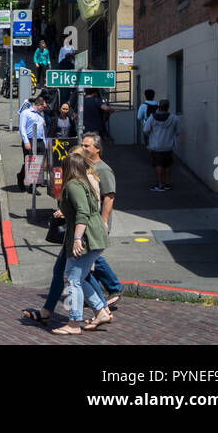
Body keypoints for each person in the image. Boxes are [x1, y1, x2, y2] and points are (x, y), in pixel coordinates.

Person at [49, 150, 112, 335]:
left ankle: (74, 323)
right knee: (77, 276)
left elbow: (83, 213)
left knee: (72, 278)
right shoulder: (83, 183)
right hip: (95, 235)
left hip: (87, 237)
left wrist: (77, 239)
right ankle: (101, 311)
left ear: (68, 167)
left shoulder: (73, 185)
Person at [81, 131, 123, 307]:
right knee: (89, 257)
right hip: (89, 220)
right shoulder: (87, 166)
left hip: (97, 221)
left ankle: (114, 287)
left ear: (96, 149)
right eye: (82, 145)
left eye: (86, 146)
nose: (83, 148)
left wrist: (104, 221)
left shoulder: (103, 170)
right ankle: (94, 292)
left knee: (92, 257)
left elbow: (109, 196)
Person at [143, 99, 182, 192]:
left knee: (158, 165)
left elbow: (146, 130)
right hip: (168, 145)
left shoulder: (152, 118)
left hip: (156, 146)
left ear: (159, 107)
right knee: (167, 165)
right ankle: (167, 184)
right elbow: (178, 131)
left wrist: (149, 141)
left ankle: (160, 185)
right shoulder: (174, 118)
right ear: (168, 107)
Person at [17, 95, 48, 189]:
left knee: (39, 164)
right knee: (29, 162)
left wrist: (44, 142)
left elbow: (42, 130)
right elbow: (22, 128)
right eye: (44, 106)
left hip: (40, 141)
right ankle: (20, 177)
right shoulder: (26, 113)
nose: (44, 109)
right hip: (30, 140)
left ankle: (33, 187)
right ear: (39, 105)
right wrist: (26, 142)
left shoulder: (40, 115)